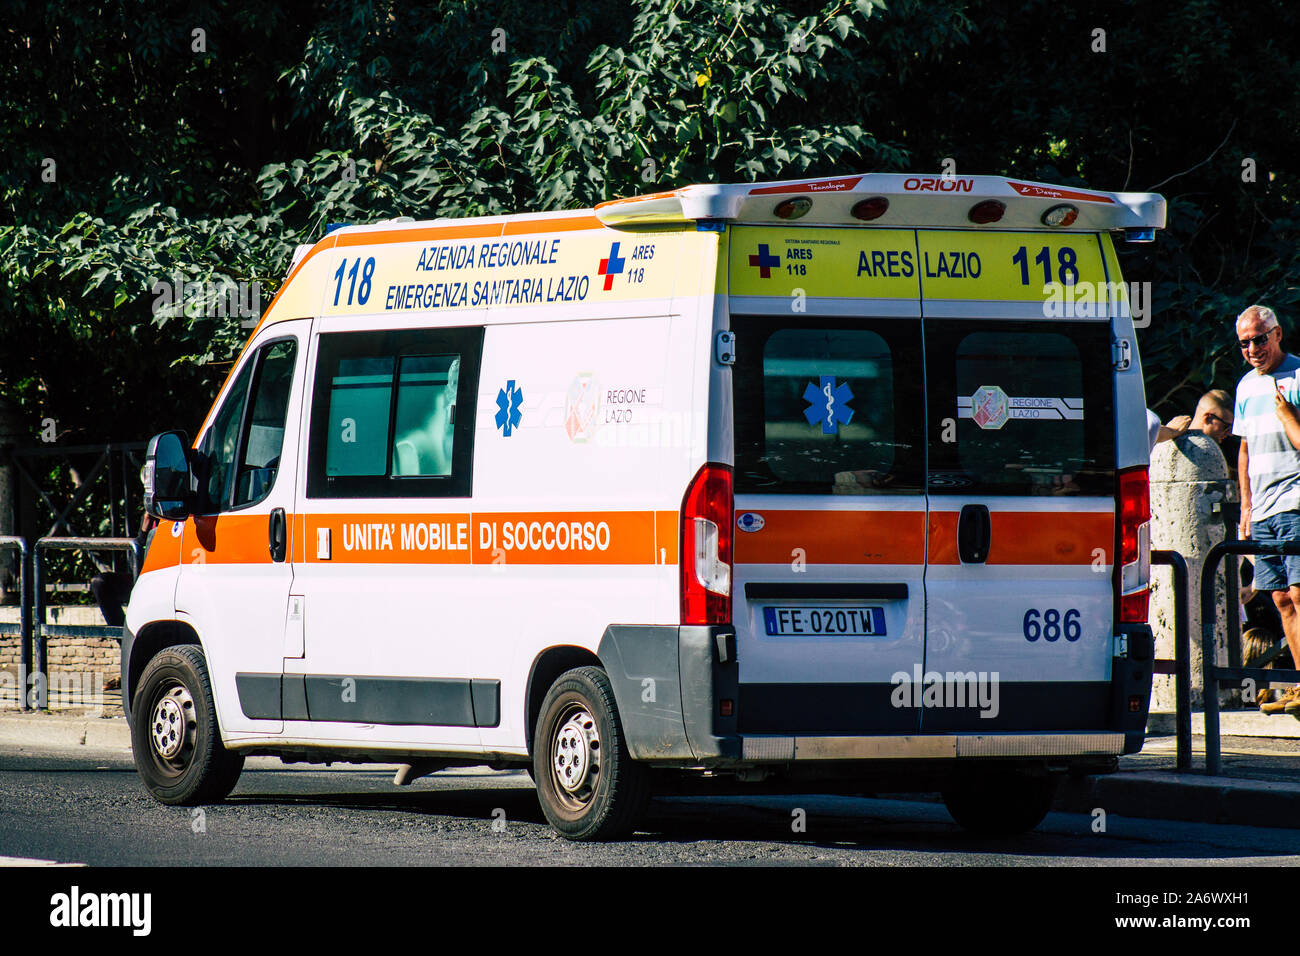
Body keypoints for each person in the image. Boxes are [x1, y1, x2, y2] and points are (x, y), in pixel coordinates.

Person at [1231, 305, 1300, 714]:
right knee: (1279, 599)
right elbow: (1244, 450)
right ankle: (1297, 684)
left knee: (1299, 593)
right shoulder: (1244, 387)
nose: (1253, 348)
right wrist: (1246, 507)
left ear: (1276, 334)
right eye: (1244, 343)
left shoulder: (1297, 375)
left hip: (1295, 501)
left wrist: (1287, 413)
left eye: (1259, 338)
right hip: (1263, 510)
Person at [1165, 389, 1234, 445]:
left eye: (1232, 427)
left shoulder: (1167, 442)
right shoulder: (1206, 450)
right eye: (1226, 426)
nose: (1230, 433)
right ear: (1207, 418)